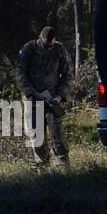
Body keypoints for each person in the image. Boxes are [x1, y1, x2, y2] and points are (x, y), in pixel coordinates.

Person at [16, 26, 73, 168]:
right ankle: (43, 167)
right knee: (37, 137)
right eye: (46, 46)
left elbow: (68, 75)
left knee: (57, 134)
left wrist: (60, 95)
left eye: (51, 45)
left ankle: (63, 166)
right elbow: (20, 74)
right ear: (40, 39)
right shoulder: (29, 49)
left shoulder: (60, 49)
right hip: (33, 98)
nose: (49, 48)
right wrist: (32, 93)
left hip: (52, 98)